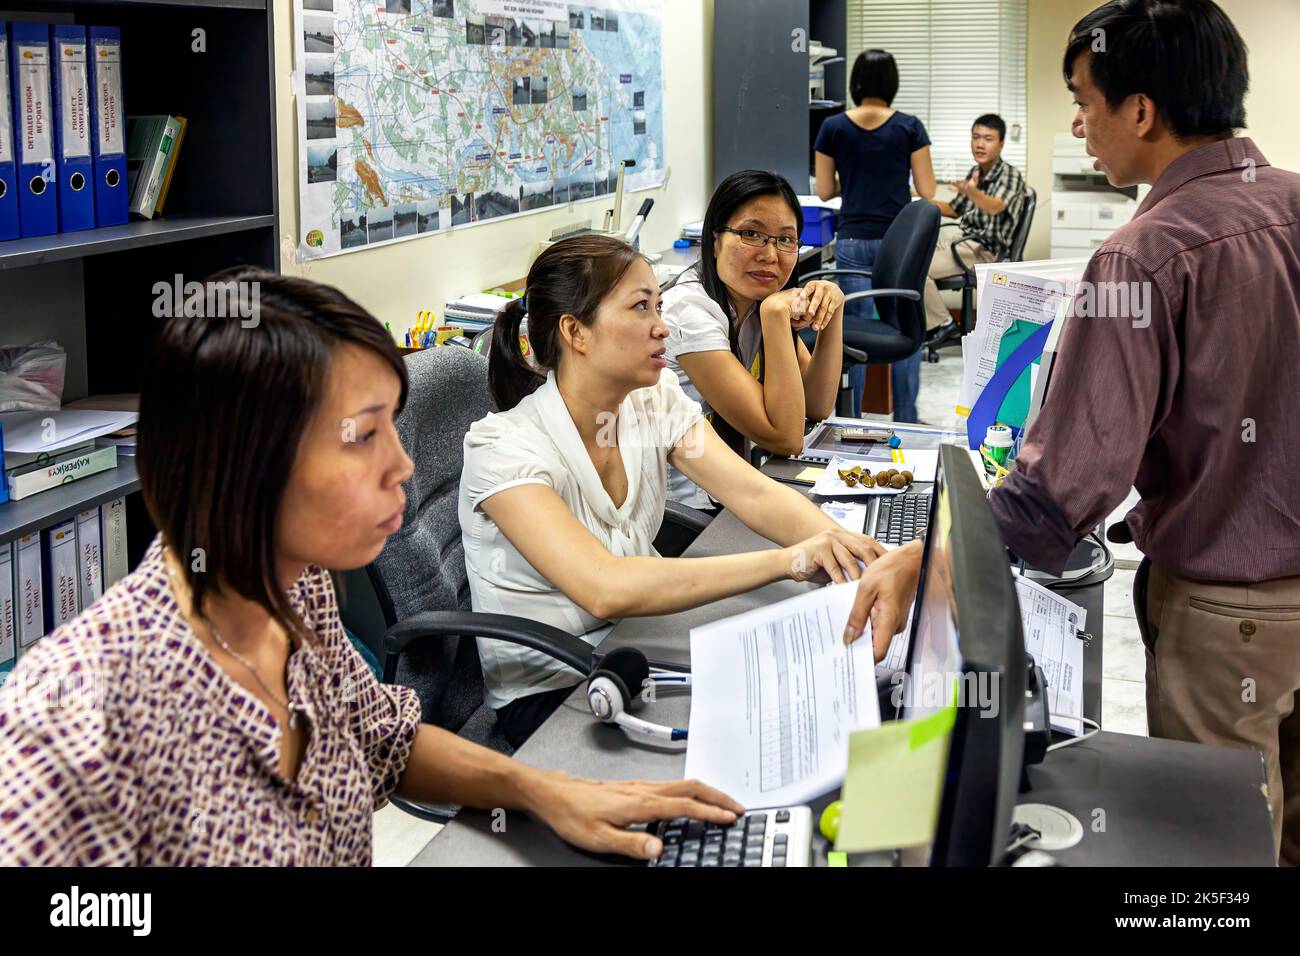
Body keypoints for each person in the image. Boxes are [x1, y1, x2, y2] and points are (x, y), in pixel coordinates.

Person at [0, 268, 744, 865]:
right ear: (245, 466)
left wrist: (542, 789)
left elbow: (381, 737)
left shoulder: (296, 589)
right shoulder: (73, 719)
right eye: (362, 437)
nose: (403, 466)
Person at [847, 0, 1300, 867]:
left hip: (1229, 615)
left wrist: (938, 556)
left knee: (1217, 856)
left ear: (1142, 111)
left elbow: (1072, 479)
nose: (1081, 126)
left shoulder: (1142, 253)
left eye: (1086, 102)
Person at [465, 234, 884, 746]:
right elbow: (605, 588)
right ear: (575, 331)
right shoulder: (503, 448)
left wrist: (853, 553)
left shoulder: (650, 402)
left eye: (659, 305)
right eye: (641, 307)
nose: (662, 326)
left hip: (638, 643)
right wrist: (791, 561)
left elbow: (754, 494)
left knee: (811, 688)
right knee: (762, 726)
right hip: (553, 688)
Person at [659, 170, 846, 508]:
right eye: (751, 234)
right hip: (687, 513)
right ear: (715, 240)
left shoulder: (752, 300)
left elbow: (816, 404)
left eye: (786, 239)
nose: (770, 255)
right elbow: (786, 438)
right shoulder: (689, 313)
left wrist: (833, 312)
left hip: (734, 493)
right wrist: (775, 316)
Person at [814, 48, 936, 422]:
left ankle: (852, 420)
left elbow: (823, 191)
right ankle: (907, 419)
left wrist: (851, 177)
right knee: (903, 328)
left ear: (856, 83)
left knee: (851, 336)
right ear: (892, 84)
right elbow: (927, 190)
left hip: (851, 240)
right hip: (899, 246)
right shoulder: (909, 126)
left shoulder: (833, 127)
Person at [924, 113, 1027, 332]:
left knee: (914, 268)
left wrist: (971, 190)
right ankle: (927, 326)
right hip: (963, 242)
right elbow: (953, 210)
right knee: (908, 256)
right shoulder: (976, 172)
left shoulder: (1010, 175)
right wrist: (914, 196)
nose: (980, 144)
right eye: (975, 137)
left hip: (986, 252)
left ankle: (943, 323)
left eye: (988, 139)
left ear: (1001, 144)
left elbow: (994, 206)